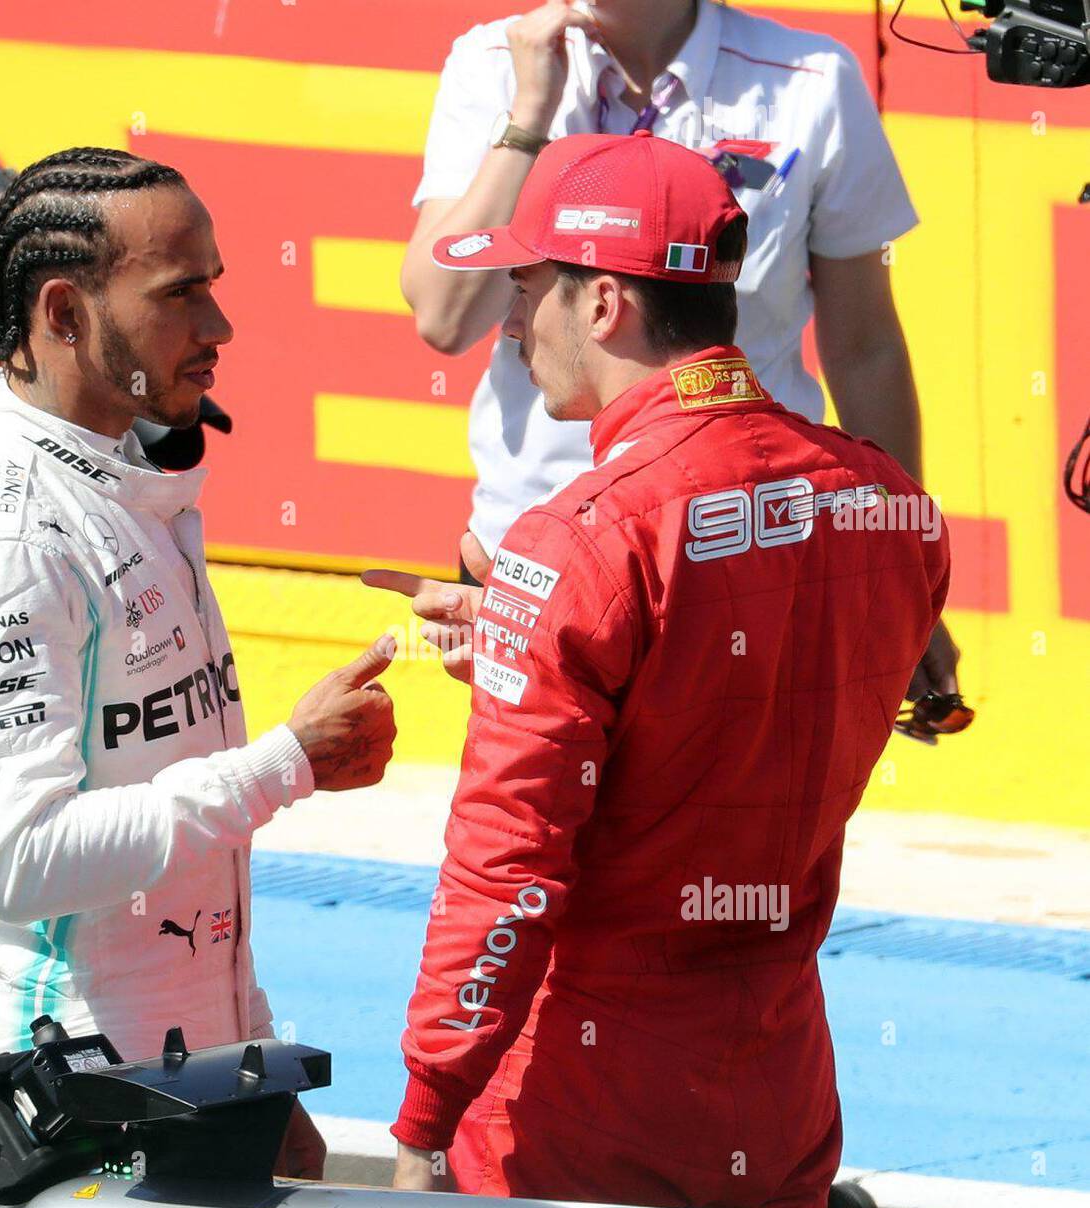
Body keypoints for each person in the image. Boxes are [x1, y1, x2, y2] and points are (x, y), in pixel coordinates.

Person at [370, 130, 949, 1208]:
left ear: (601, 306)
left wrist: (425, 1109)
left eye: (525, 283)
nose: (507, 318)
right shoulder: (886, 504)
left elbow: (506, 869)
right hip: (775, 1095)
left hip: (574, 1109)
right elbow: (731, 687)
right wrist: (528, 639)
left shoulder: (580, 541)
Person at [0, 149, 397, 1178]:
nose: (219, 326)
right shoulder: (2, 540)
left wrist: (252, 1050)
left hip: (180, 1080)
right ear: (65, 314)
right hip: (62, 1110)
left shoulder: (125, 484)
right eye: (181, 293)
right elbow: (21, 861)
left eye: (215, 286)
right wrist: (287, 761)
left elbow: (176, 850)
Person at [403, 0, 959, 702]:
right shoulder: (494, 66)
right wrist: (530, 116)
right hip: (540, 551)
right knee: (533, 805)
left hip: (746, 551)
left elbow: (866, 347)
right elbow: (446, 316)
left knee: (753, 811)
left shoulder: (811, 79)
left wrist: (900, 567)